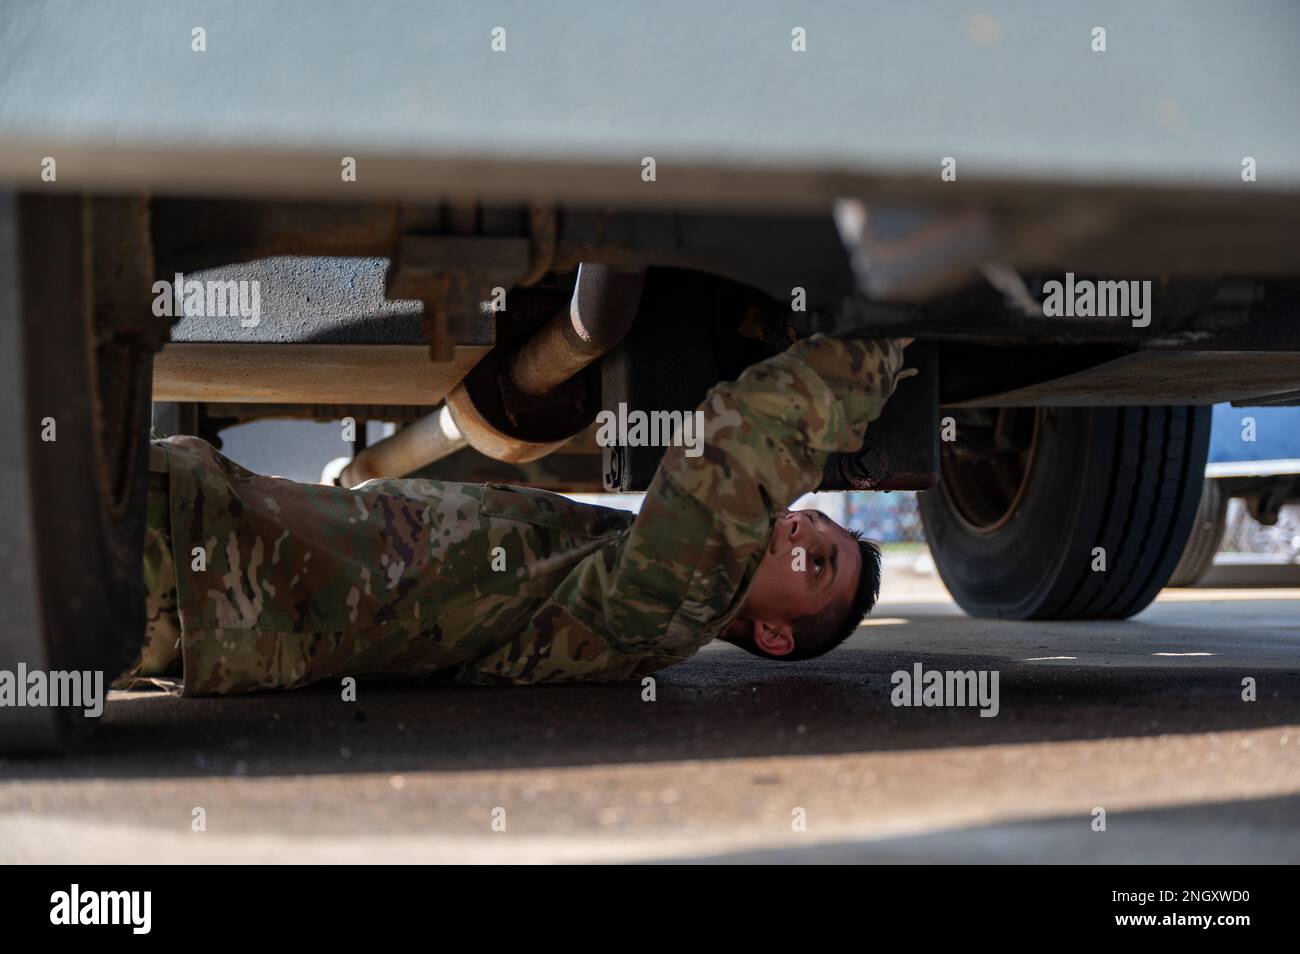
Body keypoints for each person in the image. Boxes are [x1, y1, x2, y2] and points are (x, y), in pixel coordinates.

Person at [118, 334, 912, 693]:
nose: (801, 532)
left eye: (819, 564)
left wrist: (883, 341)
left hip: (187, 567)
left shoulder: (670, 610)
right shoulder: (636, 583)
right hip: (195, 543)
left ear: (773, 636)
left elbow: (728, 452)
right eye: (813, 524)